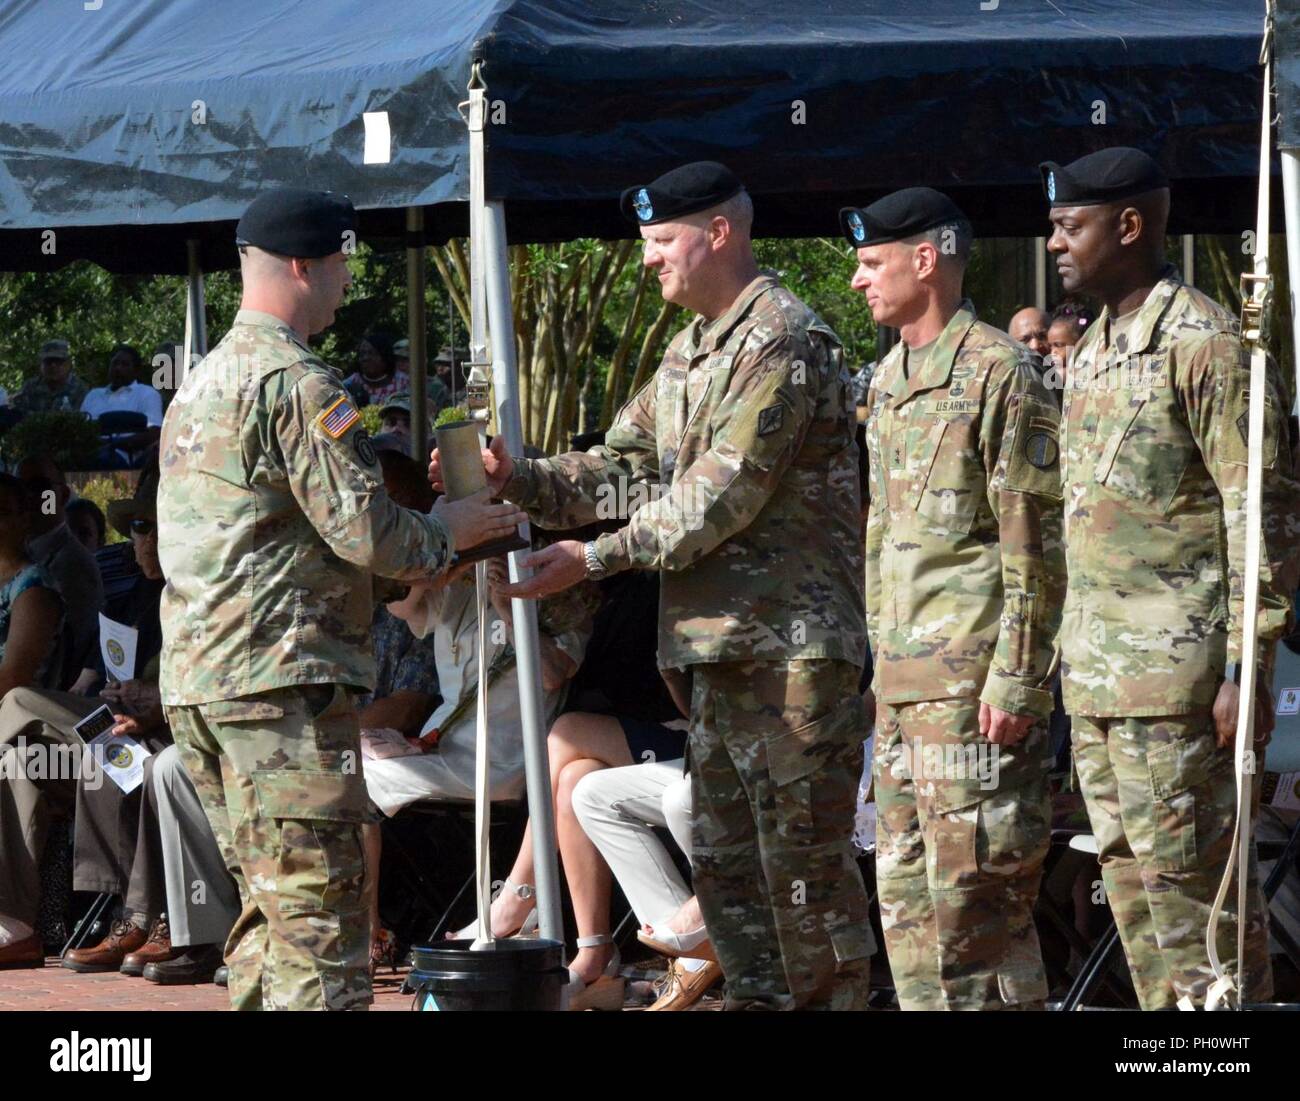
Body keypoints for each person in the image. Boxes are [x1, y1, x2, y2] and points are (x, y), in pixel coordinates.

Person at [440, 161, 874, 1010]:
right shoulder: (694, 350)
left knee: (801, 887)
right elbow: (623, 468)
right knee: (734, 883)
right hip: (718, 660)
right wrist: (518, 477)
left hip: (790, 662)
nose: (648, 261)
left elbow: (718, 497)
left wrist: (592, 562)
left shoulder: (782, 341)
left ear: (720, 234)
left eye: (662, 242)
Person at [156, 187, 527, 1012]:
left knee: (268, 914)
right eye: (342, 265)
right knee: (320, 922)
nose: (347, 283)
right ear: (303, 266)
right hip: (281, 686)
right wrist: (450, 527)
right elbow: (369, 533)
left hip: (204, 685)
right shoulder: (296, 382)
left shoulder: (202, 381)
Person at [1042, 145, 1300, 1008]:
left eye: (1069, 226)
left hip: (1181, 689)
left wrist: (1245, 668)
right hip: (1101, 681)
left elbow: (1256, 516)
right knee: (1136, 903)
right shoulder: (1096, 348)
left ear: (1131, 224)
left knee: (1200, 914)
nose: (1053, 243)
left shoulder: (1206, 344)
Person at [844, 187, 1065, 1010]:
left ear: (924, 261)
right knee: (906, 907)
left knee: (979, 908)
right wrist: (880, 676)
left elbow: (1036, 542)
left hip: (975, 692)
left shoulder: (999, 371)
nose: (861, 280)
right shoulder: (891, 379)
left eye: (873, 264)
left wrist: (1017, 679)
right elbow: (883, 540)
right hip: (905, 694)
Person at [60, 467, 174, 975]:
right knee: (105, 751)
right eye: (136, 528)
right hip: (144, 727)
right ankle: (127, 915)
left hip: (194, 732)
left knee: (155, 769)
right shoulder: (142, 601)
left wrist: (157, 704)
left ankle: (166, 915)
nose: (141, 542)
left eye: (151, 528)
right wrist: (126, 697)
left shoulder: (203, 597)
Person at [17, 454, 105, 690]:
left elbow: (64, 662)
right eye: (20, 487)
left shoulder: (74, 565)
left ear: (63, 495)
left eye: (39, 487)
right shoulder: (23, 551)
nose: (27, 496)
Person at [81, 343, 164, 465]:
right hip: (89, 452)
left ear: (136, 371)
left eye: (125, 365)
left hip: (127, 457)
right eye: (115, 363)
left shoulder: (147, 394)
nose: (118, 368)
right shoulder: (94, 395)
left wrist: (114, 444)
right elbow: (80, 430)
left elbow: (155, 432)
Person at [13, 339, 89, 414]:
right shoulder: (30, 387)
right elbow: (18, 414)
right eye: (48, 361)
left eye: (58, 361)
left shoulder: (79, 389)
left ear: (68, 364)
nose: (53, 366)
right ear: (41, 364)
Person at [343, 332, 409, 407]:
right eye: (362, 354)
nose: (366, 358)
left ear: (385, 356)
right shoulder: (350, 384)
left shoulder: (404, 383)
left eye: (371, 353)